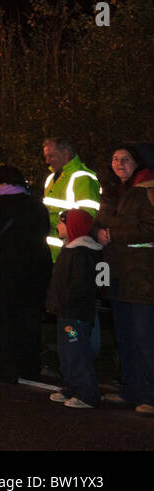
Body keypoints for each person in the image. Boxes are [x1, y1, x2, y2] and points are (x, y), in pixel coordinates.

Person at [0, 165, 52, 383]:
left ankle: (6, 368)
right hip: (33, 272)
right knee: (29, 321)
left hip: (1, 271)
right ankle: (30, 368)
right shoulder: (35, 204)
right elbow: (45, 230)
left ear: (2, 182)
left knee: (3, 322)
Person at [94, 145, 154, 413]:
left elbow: (149, 228)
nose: (120, 163)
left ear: (137, 163)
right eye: (115, 159)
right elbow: (98, 222)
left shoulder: (147, 190)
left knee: (145, 337)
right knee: (125, 336)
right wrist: (97, 232)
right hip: (115, 273)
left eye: (126, 159)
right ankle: (132, 390)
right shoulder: (111, 191)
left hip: (142, 276)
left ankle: (150, 396)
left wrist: (113, 233)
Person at [46, 208, 104, 408]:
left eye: (62, 223)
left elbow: (80, 286)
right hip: (66, 313)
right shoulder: (71, 248)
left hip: (75, 314)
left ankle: (87, 393)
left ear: (73, 226)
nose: (58, 226)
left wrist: (65, 303)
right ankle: (72, 386)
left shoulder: (83, 252)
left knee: (77, 350)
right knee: (66, 351)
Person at [42, 138, 100, 258]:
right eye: (46, 157)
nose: (47, 161)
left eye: (51, 156)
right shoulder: (51, 178)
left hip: (71, 253)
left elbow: (88, 217)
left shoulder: (83, 178)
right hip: (51, 253)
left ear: (66, 153)